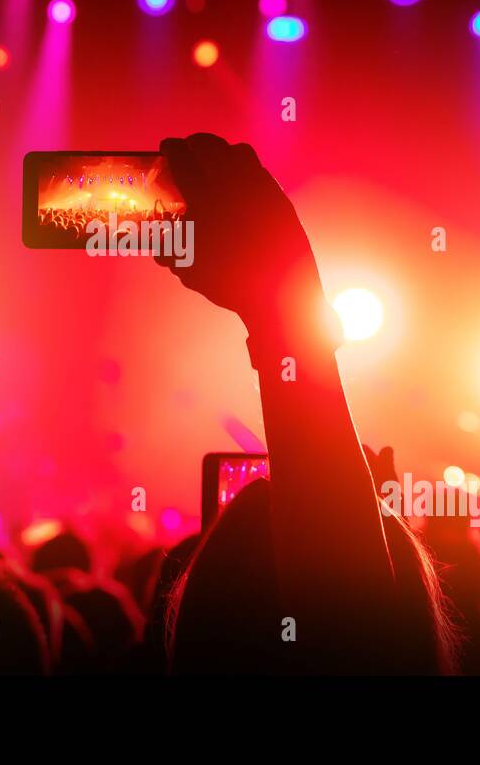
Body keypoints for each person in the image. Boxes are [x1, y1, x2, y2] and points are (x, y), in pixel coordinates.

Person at [154, 134, 455, 672]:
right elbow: (348, 626)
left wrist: (283, 308)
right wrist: (286, 305)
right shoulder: (367, 637)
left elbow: (341, 619)